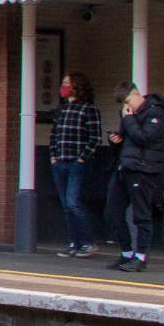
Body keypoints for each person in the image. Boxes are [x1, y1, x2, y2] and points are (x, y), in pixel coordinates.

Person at [105, 82, 164, 272]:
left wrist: (128, 120)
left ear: (136, 94)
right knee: (112, 211)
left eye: (127, 101)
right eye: (123, 104)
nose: (126, 106)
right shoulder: (128, 115)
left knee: (141, 214)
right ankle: (125, 253)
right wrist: (115, 140)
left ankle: (140, 257)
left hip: (143, 169)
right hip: (124, 167)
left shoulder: (155, 113)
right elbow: (127, 141)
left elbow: (144, 139)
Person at [47, 72, 101, 257]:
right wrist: (53, 156)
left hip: (76, 162)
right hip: (60, 161)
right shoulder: (61, 110)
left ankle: (87, 242)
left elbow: (95, 137)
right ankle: (74, 242)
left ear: (77, 86)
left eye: (67, 83)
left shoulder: (88, 109)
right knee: (66, 205)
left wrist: (82, 158)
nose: (63, 86)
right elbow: (54, 135)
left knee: (73, 202)